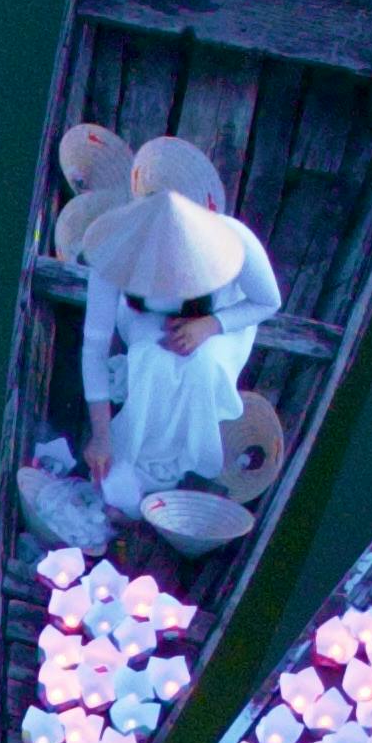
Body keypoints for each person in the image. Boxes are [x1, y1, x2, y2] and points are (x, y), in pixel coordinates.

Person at [62, 156, 284, 551]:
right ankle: (144, 453)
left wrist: (210, 325)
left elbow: (268, 302)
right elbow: (95, 345)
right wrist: (101, 436)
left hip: (222, 320)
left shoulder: (235, 240)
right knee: (150, 360)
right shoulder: (112, 251)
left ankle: (188, 451)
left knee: (202, 365)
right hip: (147, 321)